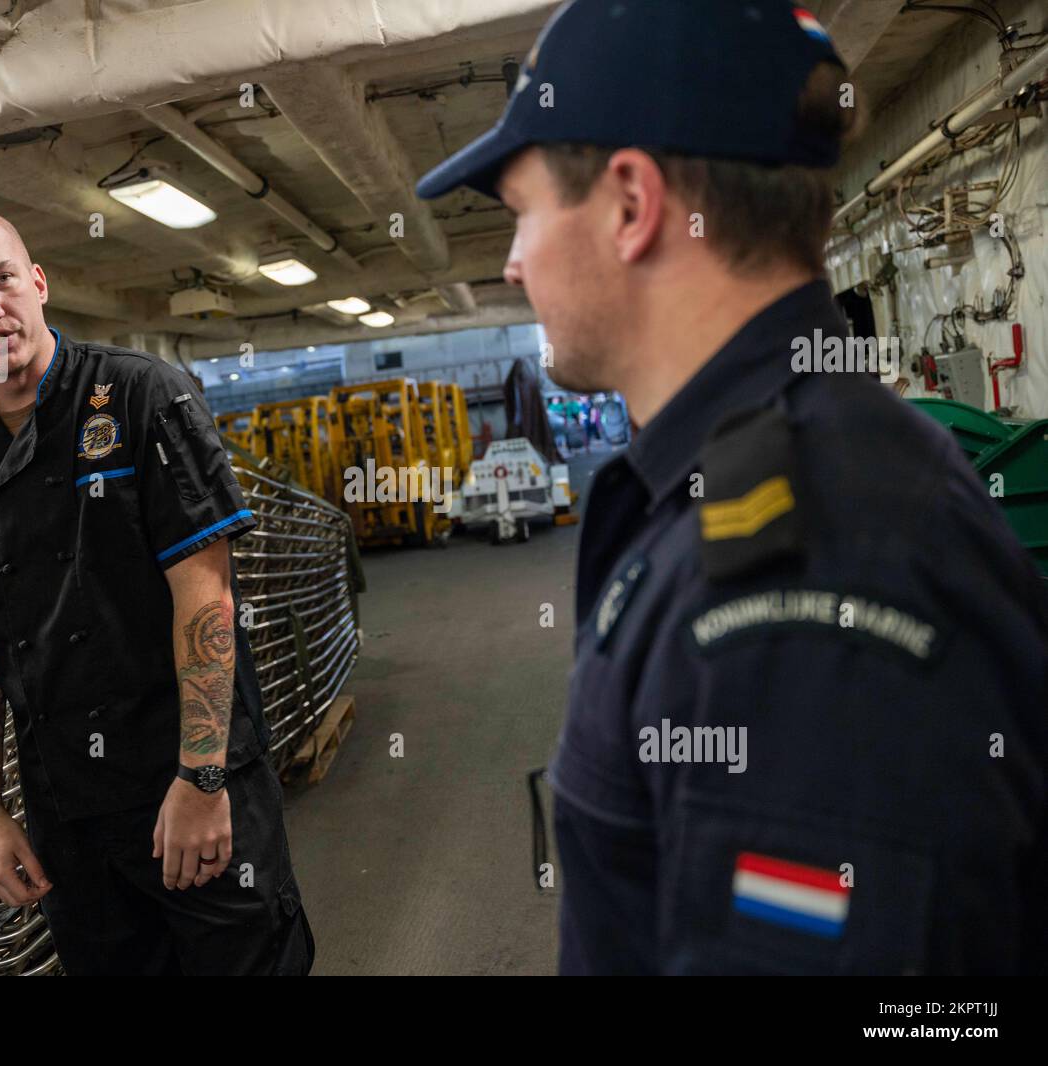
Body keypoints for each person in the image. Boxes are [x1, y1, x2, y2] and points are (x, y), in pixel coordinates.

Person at [417, 0, 1048, 974]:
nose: (511, 263)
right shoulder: (762, 481)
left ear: (631, 205)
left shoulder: (794, 583)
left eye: (522, 211)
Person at [0, 208, 314, 975]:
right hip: (70, 815)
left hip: (186, 786)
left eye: (0, 279)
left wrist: (201, 778)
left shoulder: (140, 398)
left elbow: (205, 597)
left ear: (37, 282)